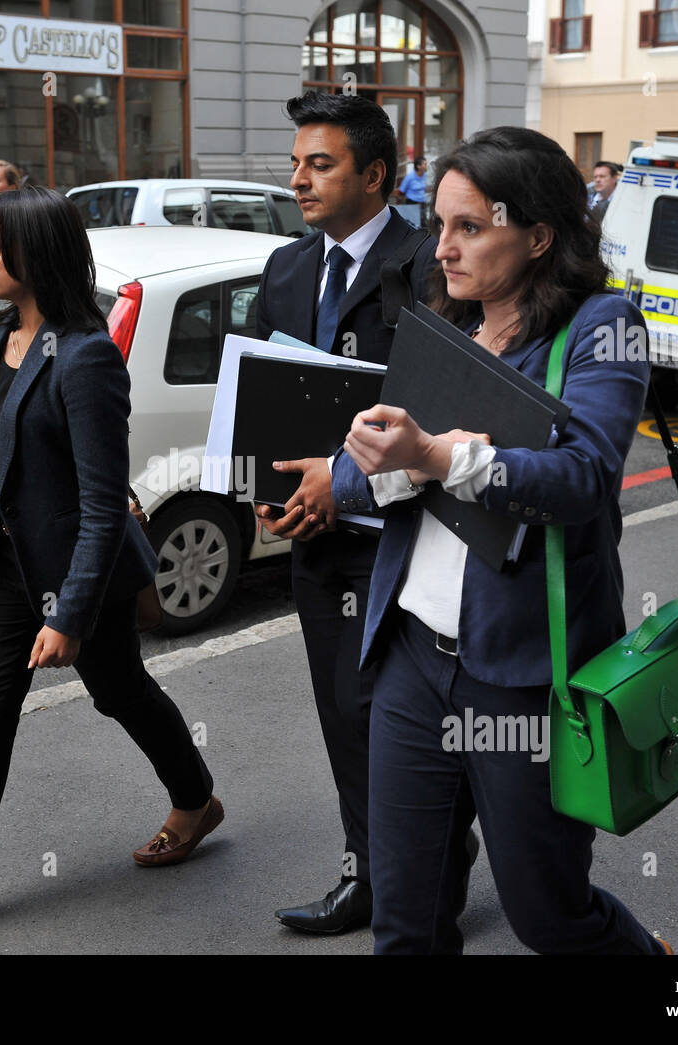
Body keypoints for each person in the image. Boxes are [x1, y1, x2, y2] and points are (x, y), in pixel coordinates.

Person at [335, 126, 668, 955]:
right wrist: (388, 465)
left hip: (522, 674)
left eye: (469, 228)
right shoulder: (444, 319)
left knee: (548, 915)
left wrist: (441, 455)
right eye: (437, 222)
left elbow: (585, 477)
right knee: (405, 919)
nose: (440, 248)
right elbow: (365, 476)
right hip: (412, 657)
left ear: (539, 235)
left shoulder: (600, 326)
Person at [0, 187, 222, 941]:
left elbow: (100, 505)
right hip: (0, 566)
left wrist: (69, 613)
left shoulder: (86, 360)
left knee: (120, 692)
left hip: (77, 571)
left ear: (37, 255)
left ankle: (196, 798)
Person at [252, 91, 475, 936]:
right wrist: (273, 498)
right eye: (298, 161)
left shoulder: (433, 267)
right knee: (346, 719)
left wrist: (343, 477)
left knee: (411, 726)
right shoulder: (284, 268)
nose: (300, 179)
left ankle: (435, 875)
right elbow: (269, 395)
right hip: (321, 546)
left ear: (375, 174)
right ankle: (372, 874)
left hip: (413, 543)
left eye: (322, 163)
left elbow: (443, 409)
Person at [395, 154, 429, 225]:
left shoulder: (424, 176)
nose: (427, 166)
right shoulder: (409, 177)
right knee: (414, 225)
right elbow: (401, 191)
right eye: (425, 164)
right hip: (412, 204)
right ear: (418, 166)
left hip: (422, 203)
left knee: (424, 225)